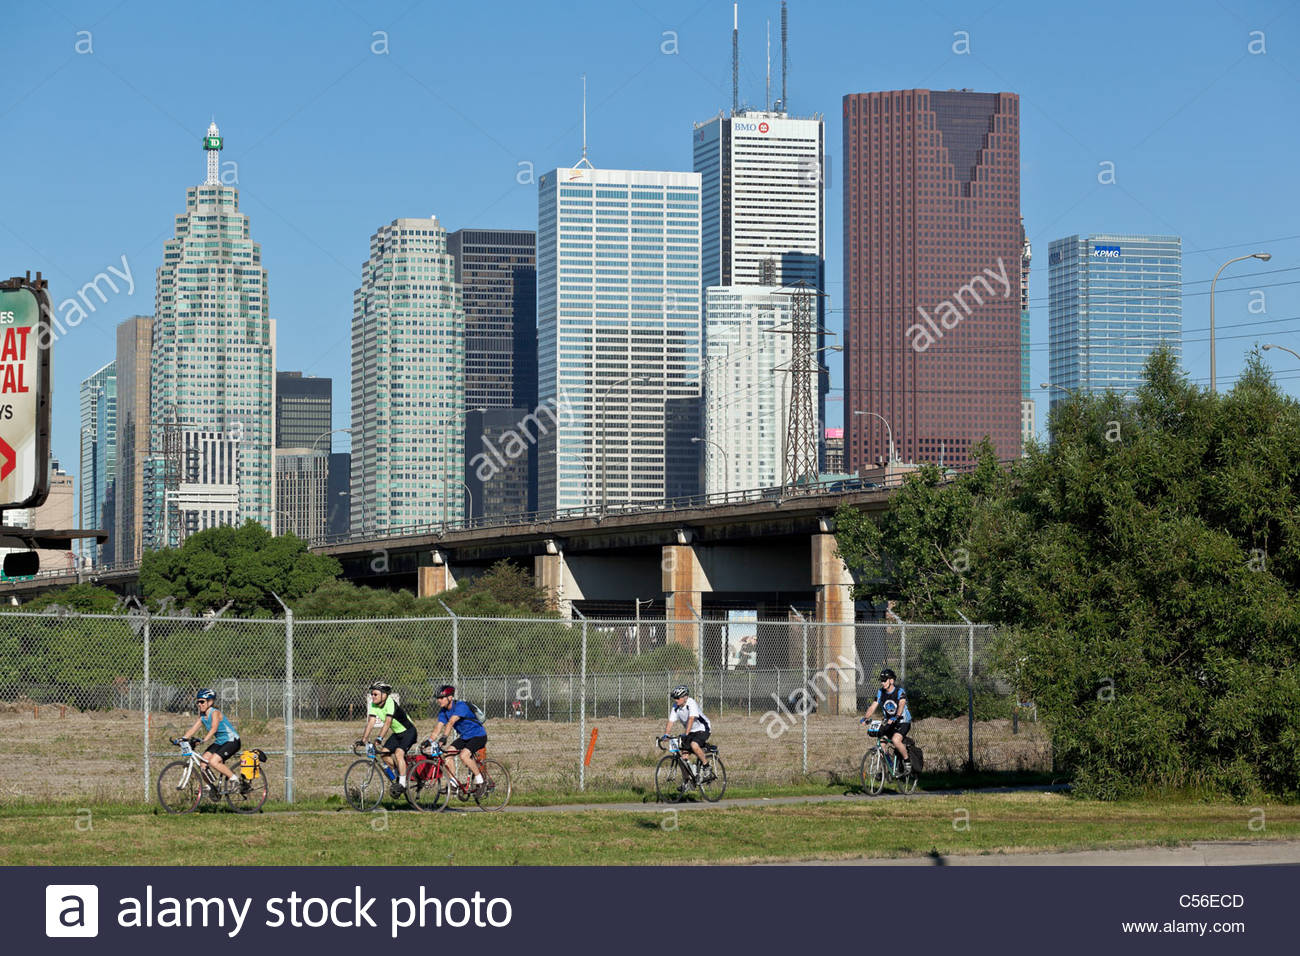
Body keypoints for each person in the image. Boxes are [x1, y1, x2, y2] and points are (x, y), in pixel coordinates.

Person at [356, 680, 417, 794]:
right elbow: (371, 722)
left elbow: (388, 723)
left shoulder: (390, 703)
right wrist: (363, 739)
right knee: (384, 754)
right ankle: (399, 774)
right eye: (372, 694)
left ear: (384, 695)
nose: (373, 697)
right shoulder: (374, 705)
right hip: (397, 733)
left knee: (399, 753)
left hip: (409, 731)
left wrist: (379, 738)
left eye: (375, 694)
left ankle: (403, 784)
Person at [182, 689, 245, 792]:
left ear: (210, 702)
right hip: (220, 742)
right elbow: (193, 729)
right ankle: (211, 787)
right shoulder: (202, 716)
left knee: (213, 761)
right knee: (203, 762)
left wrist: (204, 740)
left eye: (202, 701)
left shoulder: (214, 712)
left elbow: (214, 728)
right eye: (198, 702)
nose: (199, 704)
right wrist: (182, 739)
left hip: (232, 741)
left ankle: (235, 780)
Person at [431, 685, 487, 793]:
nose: (439, 700)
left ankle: (481, 781)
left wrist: (444, 738)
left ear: (450, 697)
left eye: (441, 698)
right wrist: (430, 741)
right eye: (437, 698)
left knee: (464, 756)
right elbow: (438, 726)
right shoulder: (443, 711)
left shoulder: (461, 706)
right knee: (447, 755)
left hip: (478, 735)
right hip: (465, 737)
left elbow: (451, 722)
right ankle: (453, 784)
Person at [861, 668, 912, 775]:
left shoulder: (899, 691)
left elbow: (901, 704)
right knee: (882, 743)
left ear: (891, 681)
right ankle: (891, 768)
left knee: (895, 740)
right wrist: (865, 717)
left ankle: (907, 762)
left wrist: (897, 716)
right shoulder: (880, 692)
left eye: (885, 680)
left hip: (903, 721)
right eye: (881, 680)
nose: (882, 682)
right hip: (889, 722)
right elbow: (873, 706)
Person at [662, 685, 714, 780]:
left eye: (677, 698)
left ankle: (706, 766)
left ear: (684, 697)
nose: (675, 700)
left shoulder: (691, 703)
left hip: (703, 728)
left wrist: (686, 734)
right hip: (691, 731)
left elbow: (691, 719)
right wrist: (666, 734)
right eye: (674, 698)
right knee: (683, 757)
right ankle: (687, 781)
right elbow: (670, 722)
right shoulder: (675, 707)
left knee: (694, 745)